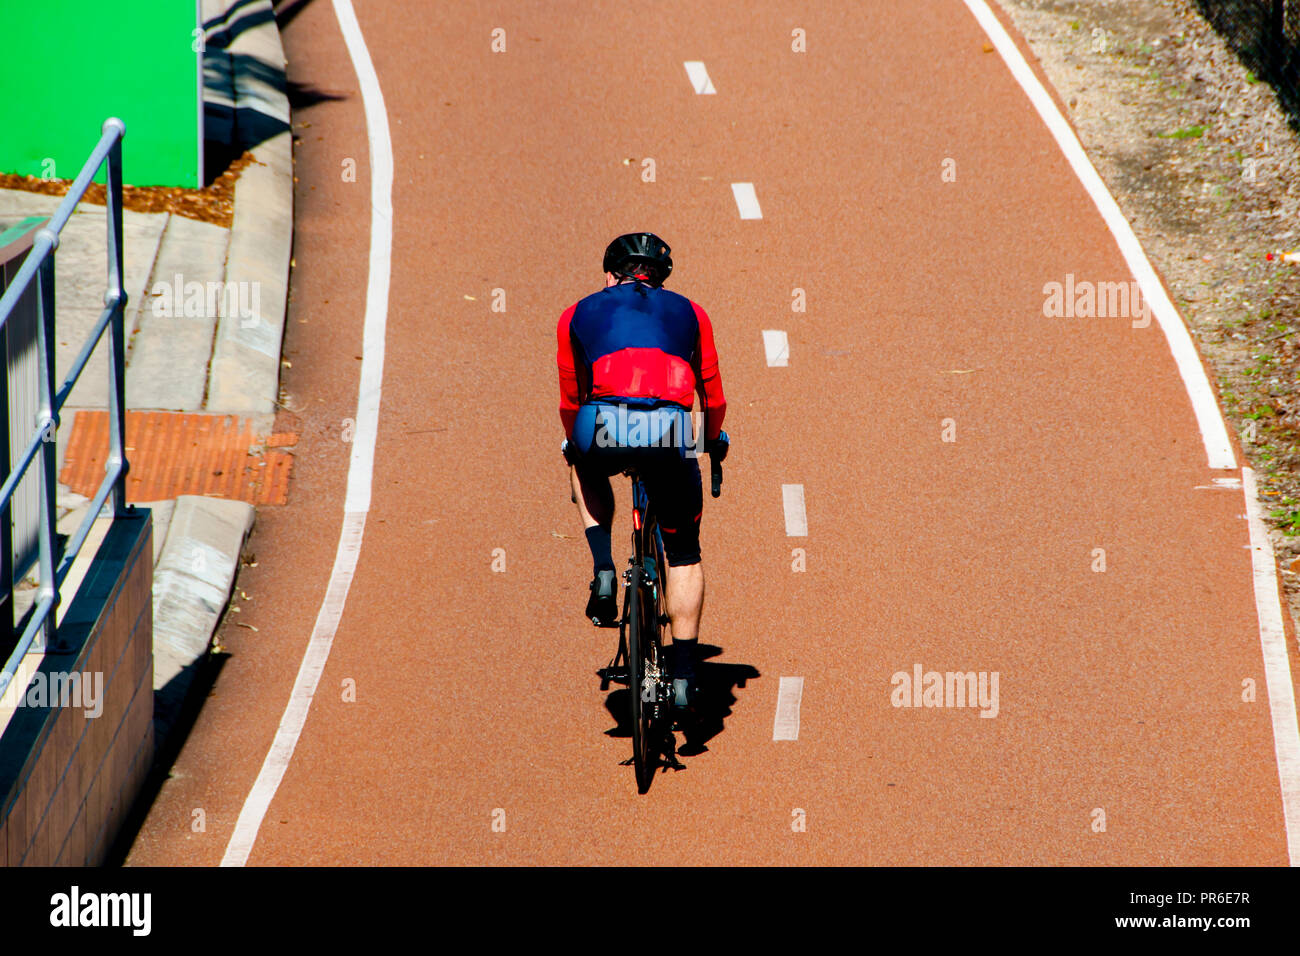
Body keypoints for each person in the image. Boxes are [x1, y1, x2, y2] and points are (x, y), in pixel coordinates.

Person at [557, 233, 729, 703]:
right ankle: (684, 676)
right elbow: (712, 396)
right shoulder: (692, 313)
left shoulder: (575, 313)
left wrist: (578, 443)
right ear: (660, 278)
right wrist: (712, 441)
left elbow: (571, 400)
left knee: (582, 462)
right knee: (685, 554)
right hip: (669, 430)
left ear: (610, 274)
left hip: (602, 424)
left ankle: (605, 570)